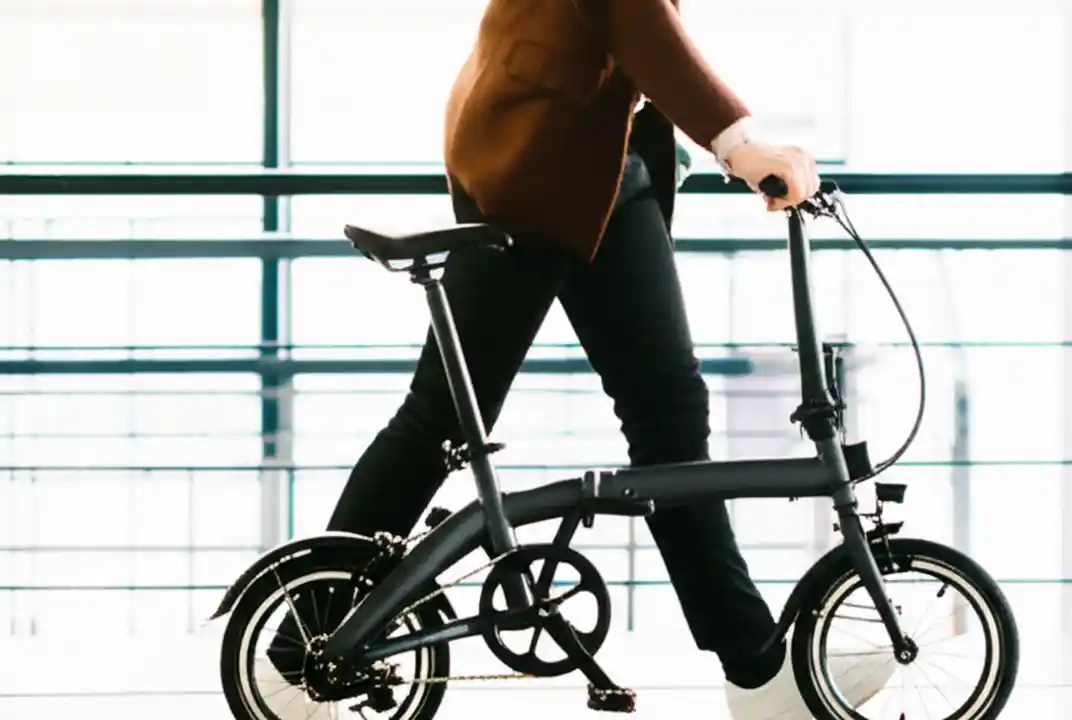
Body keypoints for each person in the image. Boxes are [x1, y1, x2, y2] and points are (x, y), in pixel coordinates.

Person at [260, 2, 896, 718]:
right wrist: (740, 143)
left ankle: (757, 671)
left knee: (669, 419)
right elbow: (635, 17)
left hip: (597, 168)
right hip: (541, 168)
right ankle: (300, 653)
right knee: (443, 418)